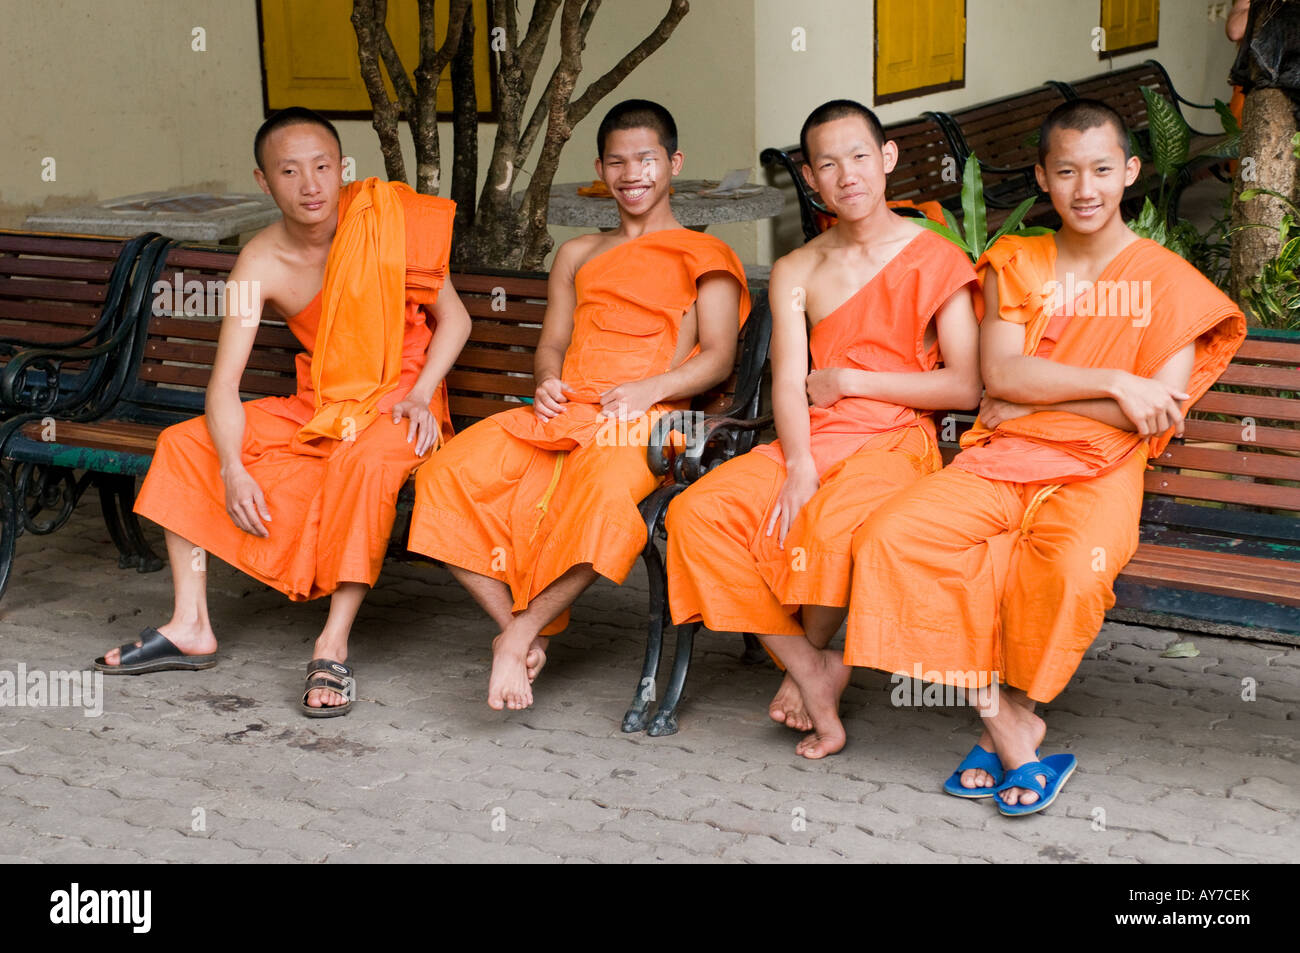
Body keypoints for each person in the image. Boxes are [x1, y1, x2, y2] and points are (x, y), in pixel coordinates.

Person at [831, 99, 1244, 814]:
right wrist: (1111, 379)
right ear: (1043, 179)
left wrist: (1040, 399)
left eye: (1103, 170)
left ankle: (1012, 720)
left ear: (1131, 172)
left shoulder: (1169, 283)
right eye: (1068, 172)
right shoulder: (1019, 261)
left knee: (1067, 569)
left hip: (1103, 470)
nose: (1086, 189)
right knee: (890, 539)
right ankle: (1007, 721)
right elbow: (1003, 375)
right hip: (1001, 458)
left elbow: (1156, 409)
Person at [94, 107, 472, 718]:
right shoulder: (261, 260)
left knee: (365, 462)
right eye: (290, 172)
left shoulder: (385, 221)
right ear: (264, 182)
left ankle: (333, 641)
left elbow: (456, 320)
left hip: (402, 402)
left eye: (323, 167)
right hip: (320, 403)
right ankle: (190, 622)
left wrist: (423, 393)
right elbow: (224, 385)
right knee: (186, 445)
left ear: (342, 168)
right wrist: (232, 469)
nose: (311, 185)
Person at [407, 100, 749, 712]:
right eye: (616, 162)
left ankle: (514, 638)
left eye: (646, 159)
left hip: (648, 418)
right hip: (565, 410)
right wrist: (544, 379)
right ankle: (525, 627)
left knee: (600, 503)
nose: (632, 174)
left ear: (673, 163)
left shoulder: (705, 256)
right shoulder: (579, 254)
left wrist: (652, 389)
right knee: (443, 475)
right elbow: (554, 344)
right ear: (600, 169)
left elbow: (719, 357)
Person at [665, 100, 981, 759]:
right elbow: (788, 381)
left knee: (830, 526)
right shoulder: (798, 269)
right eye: (828, 164)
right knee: (697, 514)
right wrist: (800, 461)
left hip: (895, 439)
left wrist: (855, 381)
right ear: (810, 178)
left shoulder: (936, 258)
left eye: (861, 156)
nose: (848, 175)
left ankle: (803, 666)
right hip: (809, 436)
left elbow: (964, 386)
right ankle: (813, 668)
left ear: (887, 159)